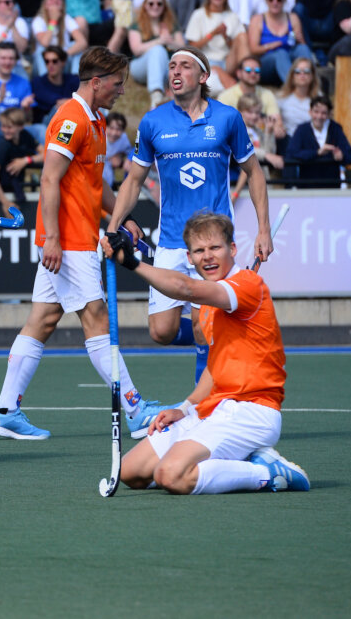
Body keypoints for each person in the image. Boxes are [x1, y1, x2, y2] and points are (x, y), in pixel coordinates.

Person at [0, 46, 164, 440]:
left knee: (44, 320)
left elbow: (95, 187)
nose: (121, 91)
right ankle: (134, 409)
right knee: (96, 318)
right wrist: (52, 238)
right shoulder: (70, 117)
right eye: (117, 85)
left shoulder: (96, 119)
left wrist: (124, 216)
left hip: (75, 236)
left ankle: (4, 410)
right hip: (69, 240)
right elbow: (49, 179)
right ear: (96, 82)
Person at [103, 211, 309, 496]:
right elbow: (214, 370)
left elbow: (184, 287)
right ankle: (233, 457)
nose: (208, 257)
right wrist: (183, 408)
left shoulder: (247, 285)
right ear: (189, 257)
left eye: (215, 248)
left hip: (253, 411)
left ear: (233, 249)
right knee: (130, 472)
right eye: (199, 251)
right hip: (213, 409)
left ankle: (268, 472)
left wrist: (133, 263)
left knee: (170, 475)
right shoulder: (212, 301)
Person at [107, 47, 273, 382]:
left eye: (184, 66)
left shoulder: (227, 117)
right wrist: (112, 229)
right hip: (170, 241)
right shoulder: (153, 121)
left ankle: (204, 407)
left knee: (202, 323)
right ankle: (222, 340)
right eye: (171, 66)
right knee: (161, 331)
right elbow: (134, 180)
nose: (175, 72)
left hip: (212, 243)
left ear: (203, 76)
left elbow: (255, 173)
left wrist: (263, 230)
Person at [246, 0, 311, 85]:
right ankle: (293, 87)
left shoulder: (293, 18)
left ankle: (312, 84)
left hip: (290, 59)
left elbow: (301, 44)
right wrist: (270, 46)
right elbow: (253, 50)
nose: (275, 2)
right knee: (280, 53)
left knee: (303, 49)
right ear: (266, 1)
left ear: (284, 1)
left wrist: (300, 40)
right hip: (266, 64)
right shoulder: (258, 20)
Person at [128, 0, 184, 108]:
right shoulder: (137, 24)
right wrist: (159, 41)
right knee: (158, 50)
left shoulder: (171, 24)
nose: (155, 7)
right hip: (140, 67)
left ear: (164, 6)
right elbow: (136, 50)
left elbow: (183, 48)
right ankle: (156, 96)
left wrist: (170, 41)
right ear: (145, 6)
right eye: (151, 3)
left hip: (166, 68)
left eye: (159, 3)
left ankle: (170, 97)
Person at [185, 0, 245, 87]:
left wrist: (225, 36)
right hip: (207, 61)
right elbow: (192, 47)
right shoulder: (199, 14)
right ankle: (236, 87)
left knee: (242, 36)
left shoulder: (232, 16)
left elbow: (236, 46)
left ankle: (246, 75)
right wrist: (212, 34)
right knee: (215, 69)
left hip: (228, 61)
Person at [285, 95, 351, 187]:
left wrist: (341, 155)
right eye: (316, 112)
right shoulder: (302, 130)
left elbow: (350, 154)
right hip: (307, 187)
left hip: (331, 187)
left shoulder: (335, 129)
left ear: (329, 114)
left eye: (323, 113)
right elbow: (292, 153)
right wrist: (317, 152)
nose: (319, 116)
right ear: (310, 112)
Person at [0, 106, 43, 211]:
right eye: (3, 126)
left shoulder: (25, 136)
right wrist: (5, 202)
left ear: (20, 127)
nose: (5, 130)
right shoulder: (3, 145)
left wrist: (25, 161)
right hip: (1, 193)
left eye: (9, 127)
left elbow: (46, 154)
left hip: (17, 189)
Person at [219, 57, 284, 126]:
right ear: (239, 73)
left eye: (257, 70)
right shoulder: (225, 96)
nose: (253, 74)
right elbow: (221, 125)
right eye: (248, 70)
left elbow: (277, 124)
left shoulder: (267, 94)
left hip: (261, 135)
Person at [33, 0, 83, 71]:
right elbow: (45, 42)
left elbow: (82, 42)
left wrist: (63, 56)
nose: (55, 1)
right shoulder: (38, 20)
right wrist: (53, 21)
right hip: (45, 63)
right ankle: (46, 82)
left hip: (62, 61)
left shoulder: (67, 18)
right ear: (45, 5)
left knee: (76, 46)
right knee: (40, 51)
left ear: (62, 4)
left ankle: (75, 79)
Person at [277, 57, 322, 135]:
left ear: (312, 75)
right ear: (292, 75)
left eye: (307, 71)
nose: (302, 74)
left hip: (311, 140)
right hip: (288, 139)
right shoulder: (281, 97)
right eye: (297, 72)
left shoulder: (319, 97)